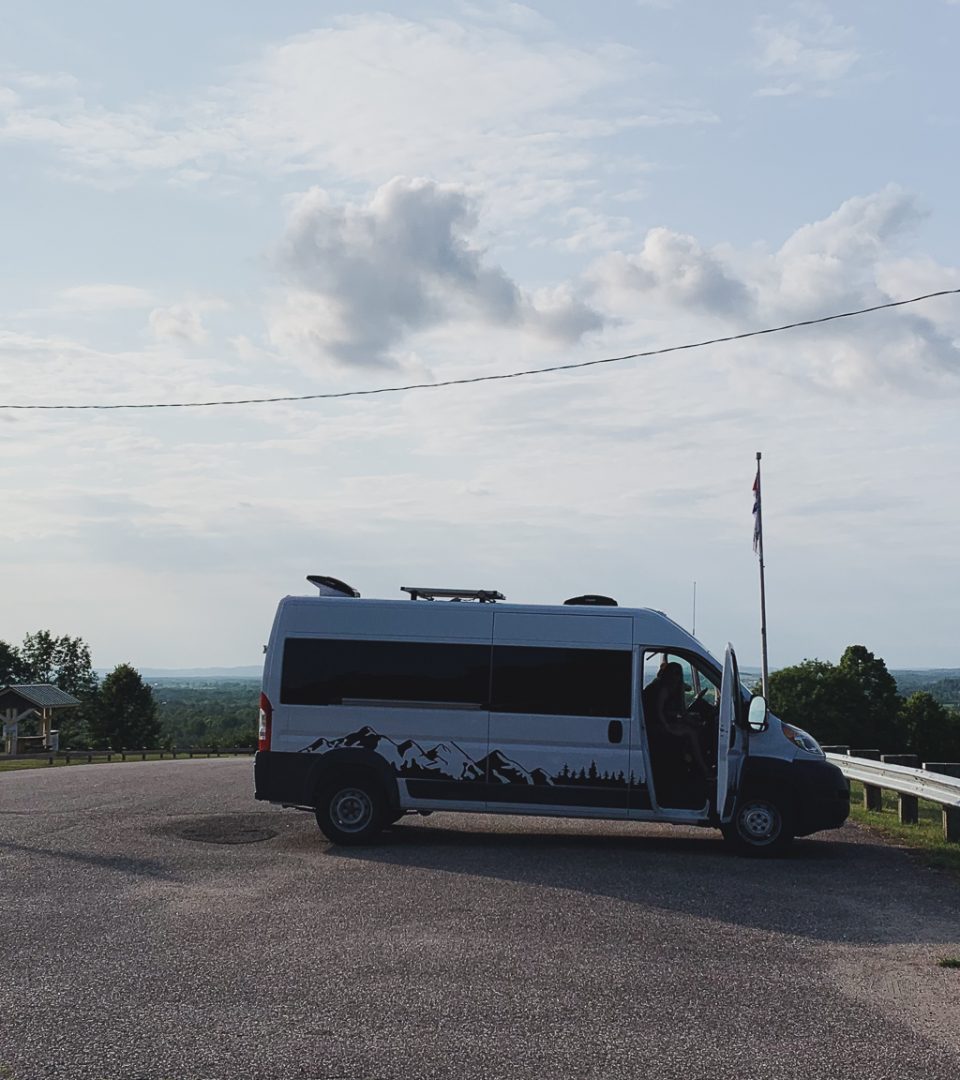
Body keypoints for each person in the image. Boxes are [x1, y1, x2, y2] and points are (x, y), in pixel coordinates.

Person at [642, 661, 712, 777]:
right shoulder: (663, 689)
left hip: (663, 721)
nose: (677, 676)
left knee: (695, 725)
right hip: (654, 725)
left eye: (679, 673)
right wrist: (668, 728)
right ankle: (704, 769)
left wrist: (697, 723)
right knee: (692, 733)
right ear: (668, 674)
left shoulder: (673, 688)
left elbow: (683, 713)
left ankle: (693, 762)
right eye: (674, 673)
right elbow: (658, 712)